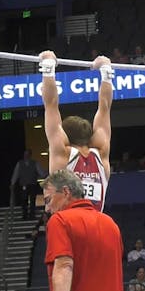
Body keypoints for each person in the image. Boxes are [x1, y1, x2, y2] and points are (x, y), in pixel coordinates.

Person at [40, 50, 114, 212]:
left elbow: (51, 105)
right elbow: (105, 107)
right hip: (97, 224)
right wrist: (106, 71)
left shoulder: (63, 153)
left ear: (66, 135)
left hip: (71, 225)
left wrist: (48, 66)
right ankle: (107, 73)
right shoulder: (101, 153)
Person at [12, 149, 44, 218]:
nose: (26, 156)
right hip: (23, 184)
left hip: (32, 184)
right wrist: (12, 183)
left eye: (27, 154)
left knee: (32, 200)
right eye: (25, 154)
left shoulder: (35, 163)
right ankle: (25, 214)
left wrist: (37, 177)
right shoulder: (20, 163)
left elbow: (41, 173)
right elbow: (16, 174)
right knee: (24, 200)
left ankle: (32, 214)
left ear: (30, 155)